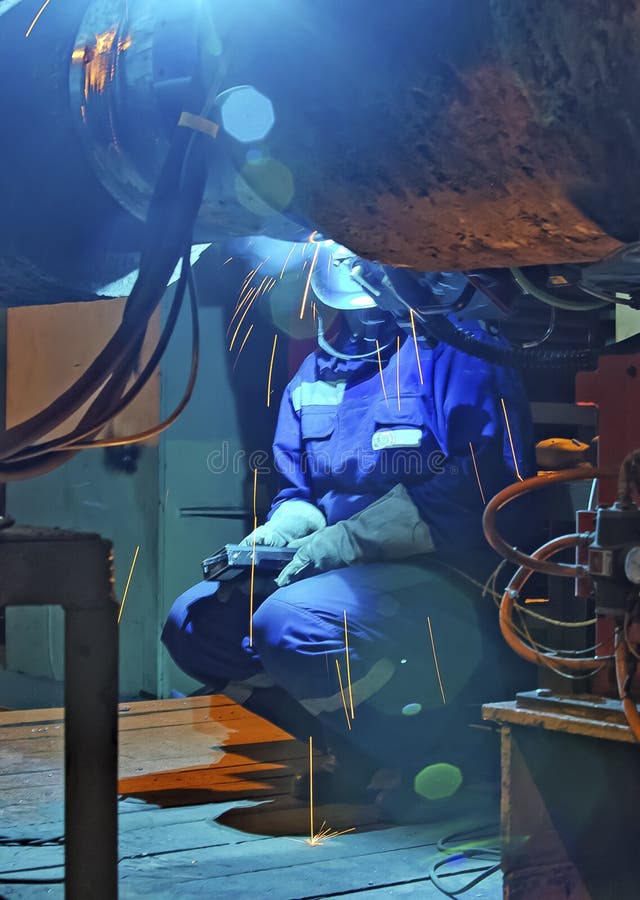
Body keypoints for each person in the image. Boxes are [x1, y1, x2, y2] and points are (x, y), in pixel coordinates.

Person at [162, 243, 536, 819]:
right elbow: (297, 489)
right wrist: (287, 528)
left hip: (448, 574)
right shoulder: (316, 372)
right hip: (339, 577)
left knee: (286, 623)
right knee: (198, 620)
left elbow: (483, 494)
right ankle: (345, 748)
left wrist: (348, 539)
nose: (365, 320)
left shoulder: (456, 349)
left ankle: (442, 759)